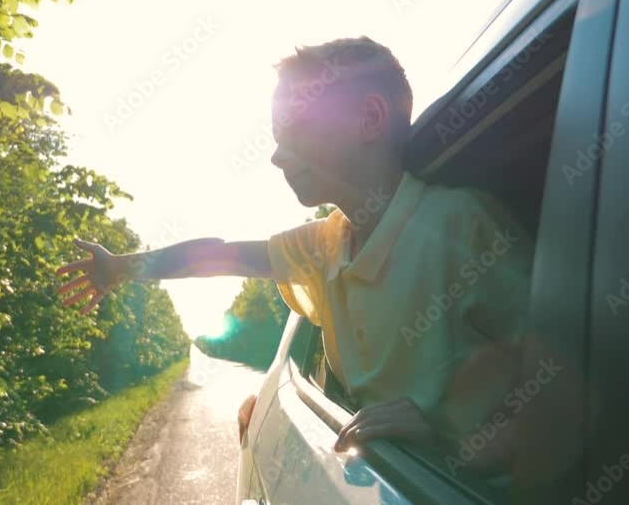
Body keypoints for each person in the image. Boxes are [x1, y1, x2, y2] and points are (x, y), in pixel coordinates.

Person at [56, 36, 533, 471]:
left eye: (295, 128)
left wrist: (446, 437)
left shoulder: (463, 227)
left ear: (370, 119)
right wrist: (121, 267)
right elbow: (221, 255)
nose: (277, 156)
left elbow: (574, 388)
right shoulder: (325, 242)